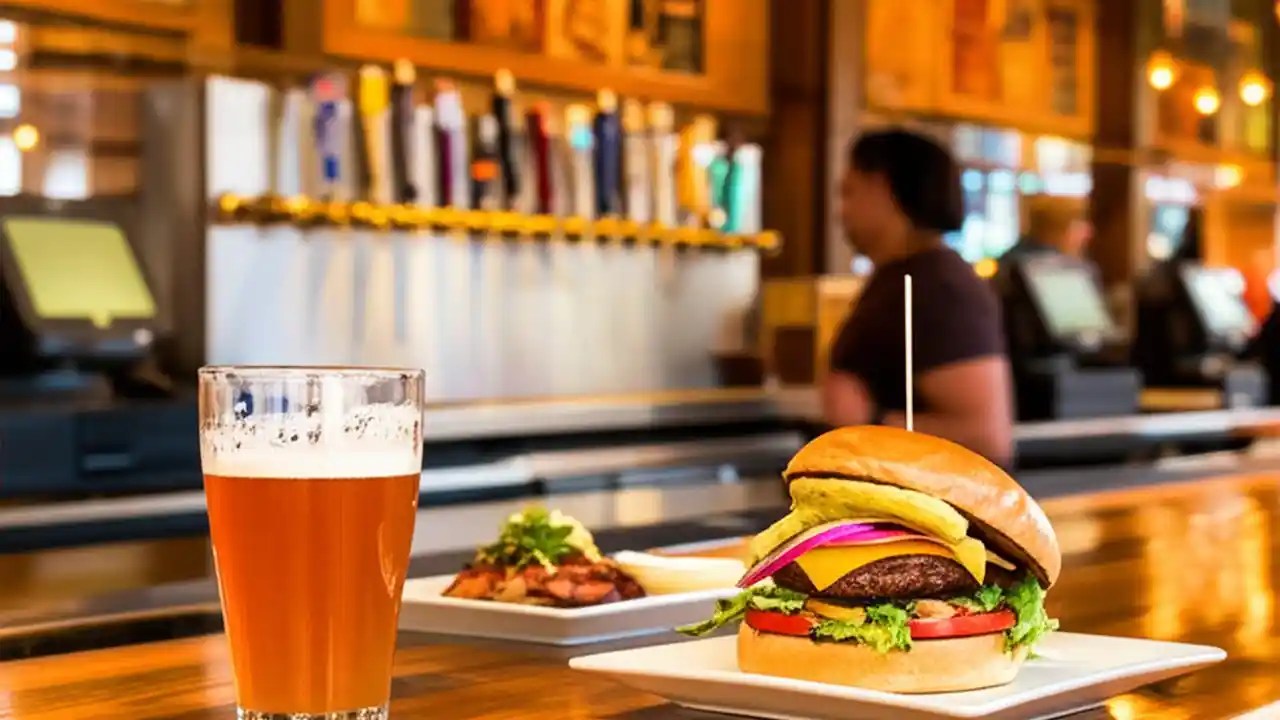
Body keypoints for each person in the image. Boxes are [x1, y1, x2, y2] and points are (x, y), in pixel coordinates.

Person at [824, 129, 1013, 466]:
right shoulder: (903, 276)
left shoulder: (940, 286)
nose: (841, 212)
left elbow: (987, 438)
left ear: (882, 189)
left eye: (848, 193)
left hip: (924, 516)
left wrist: (872, 421)